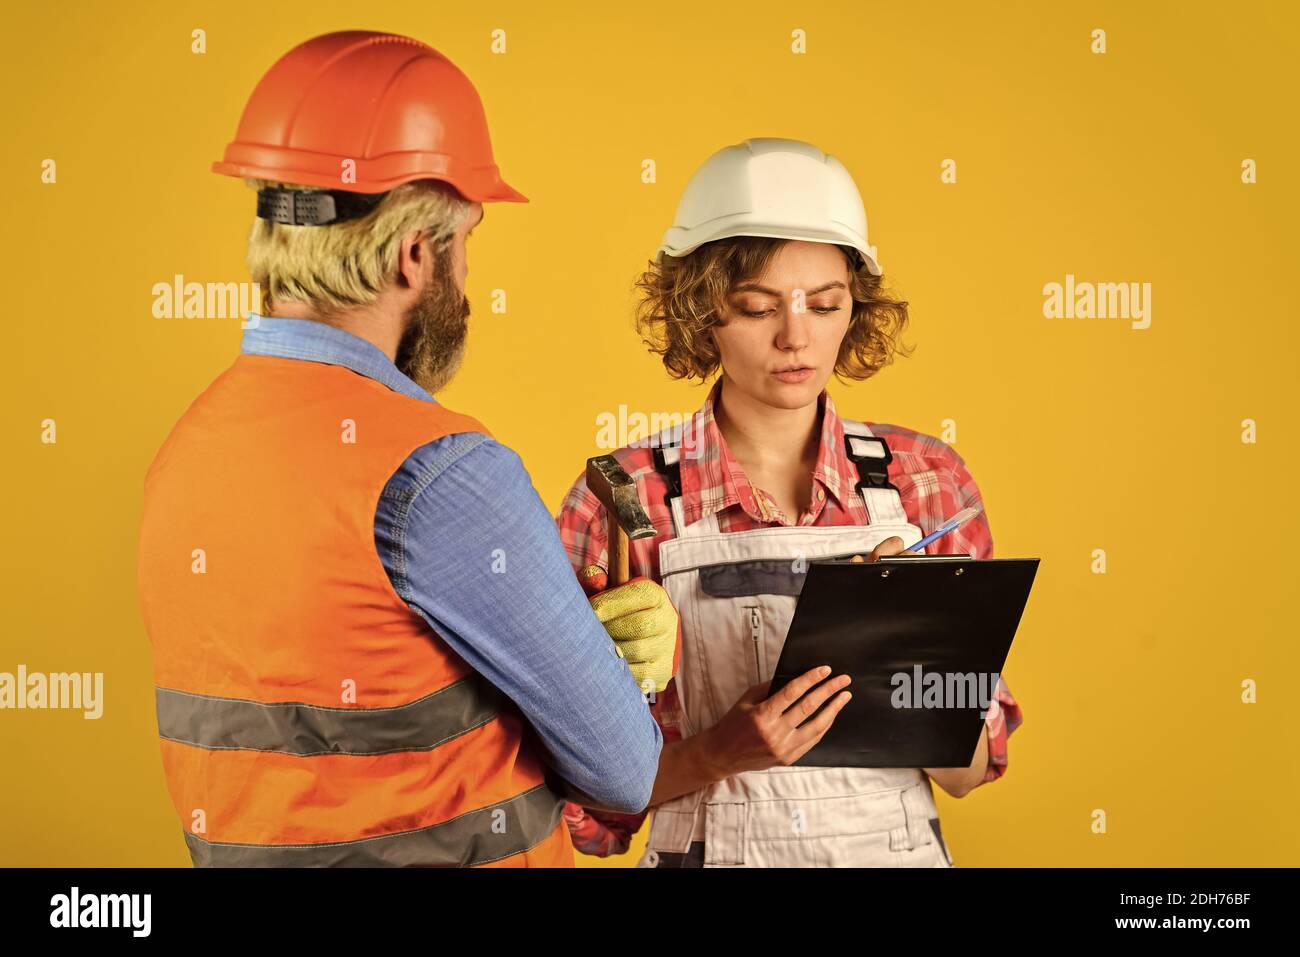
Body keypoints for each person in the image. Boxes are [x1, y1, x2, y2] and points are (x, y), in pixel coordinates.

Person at [136, 30, 676, 868]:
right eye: (467, 243)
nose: (467, 275)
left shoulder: (185, 454)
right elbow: (625, 769)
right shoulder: (442, 473)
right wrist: (600, 669)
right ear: (414, 254)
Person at [557, 138, 1024, 867]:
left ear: (854, 308)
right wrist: (718, 752)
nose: (796, 337)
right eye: (756, 307)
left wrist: (907, 638)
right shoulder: (622, 500)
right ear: (701, 310)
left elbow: (969, 773)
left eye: (826, 304)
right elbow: (585, 814)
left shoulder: (928, 481)